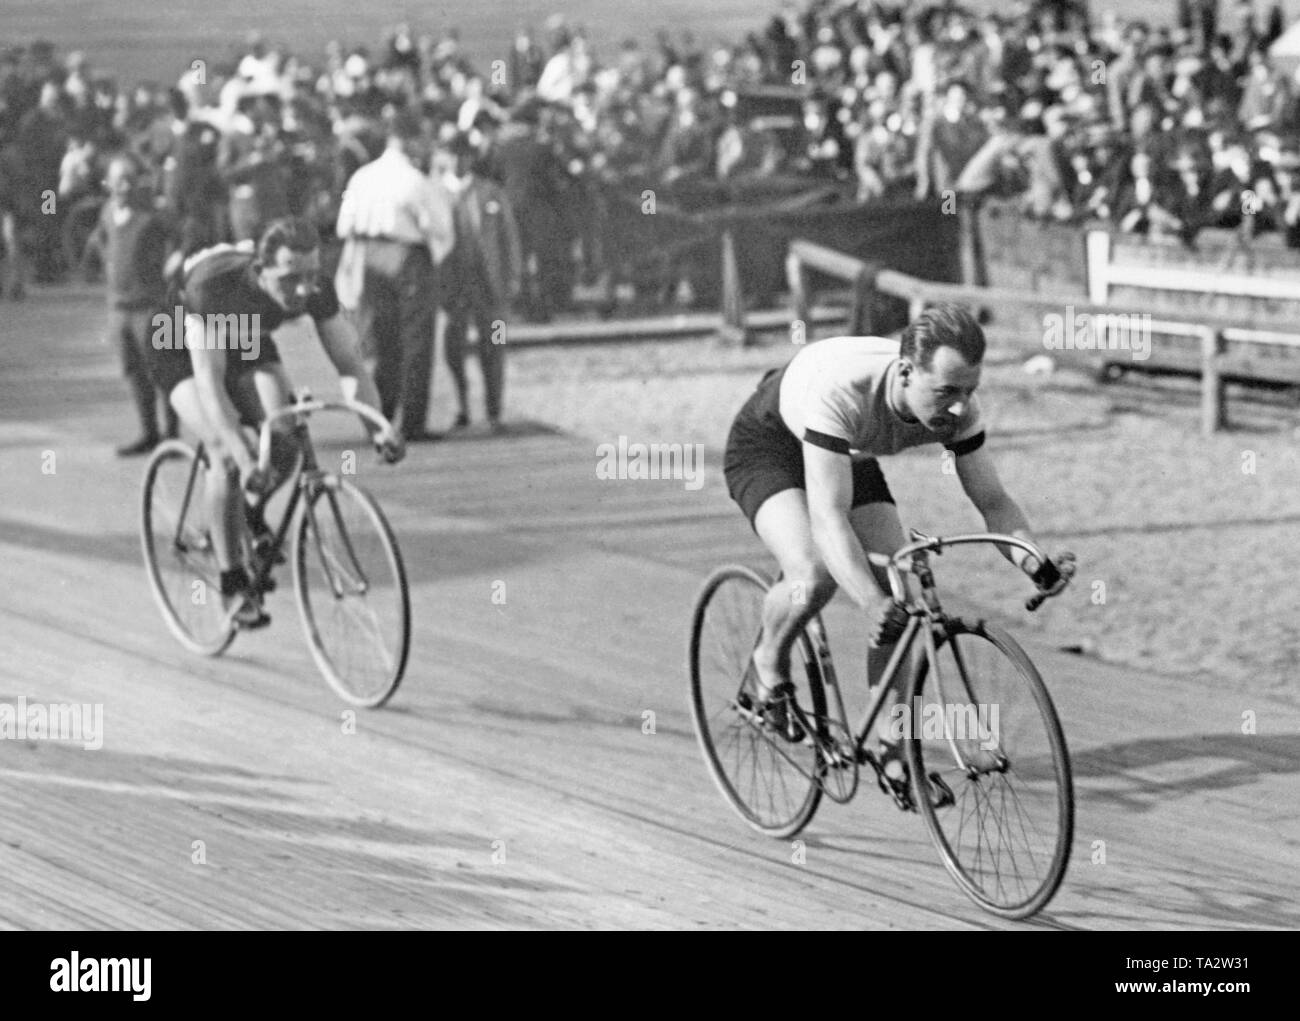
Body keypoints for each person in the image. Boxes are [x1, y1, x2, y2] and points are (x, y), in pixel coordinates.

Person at [722, 304, 1075, 805]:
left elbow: (993, 501)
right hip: (771, 446)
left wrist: (1033, 562)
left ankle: (894, 750)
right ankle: (767, 665)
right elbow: (829, 519)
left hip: (846, 451)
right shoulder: (844, 390)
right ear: (907, 372)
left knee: (903, 586)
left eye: (969, 391)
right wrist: (868, 602)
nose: (958, 408)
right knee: (815, 574)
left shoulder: (957, 410)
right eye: (946, 392)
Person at [152, 216, 404, 627]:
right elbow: (212, 389)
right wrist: (241, 452)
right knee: (228, 453)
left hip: (245, 332)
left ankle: (248, 515)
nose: (303, 290)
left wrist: (378, 427)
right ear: (260, 271)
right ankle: (232, 583)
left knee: (285, 433)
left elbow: (350, 365)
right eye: (289, 279)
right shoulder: (214, 287)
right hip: (179, 342)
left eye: (309, 276)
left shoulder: (314, 288)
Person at [334, 110, 454, 442]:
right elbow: (440, 229)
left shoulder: (362, 177)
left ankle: (381, 416)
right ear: (411, 140)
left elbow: (345, 224)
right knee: (417, 341)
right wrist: (434, 258)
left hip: (371, 256)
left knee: (383, 338)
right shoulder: (416, 180)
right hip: (408, 256)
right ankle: (413, 422)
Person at [91, 151, 178, 454]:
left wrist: (174, 262)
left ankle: (172, 435)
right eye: (118, 181)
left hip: (150, 305)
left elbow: (185, 236)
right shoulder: (107, 212)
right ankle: (149, 432)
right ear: (108, 183)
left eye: (129, 180)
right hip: (119, 307)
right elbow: (102, 240)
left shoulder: (151, 214)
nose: (124, 187)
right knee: (133, 372)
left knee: (162, 370)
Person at [440, 134, 522, 432]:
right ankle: (461, 407)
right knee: (453, 348)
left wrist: (512, 276)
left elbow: (509, 238)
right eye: (452, 154)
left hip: (488, 285)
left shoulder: (490, 192)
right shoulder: (435, 193)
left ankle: (494, 410)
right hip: (452, 286)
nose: (459, 161)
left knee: (495, 346)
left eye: (464, 155)